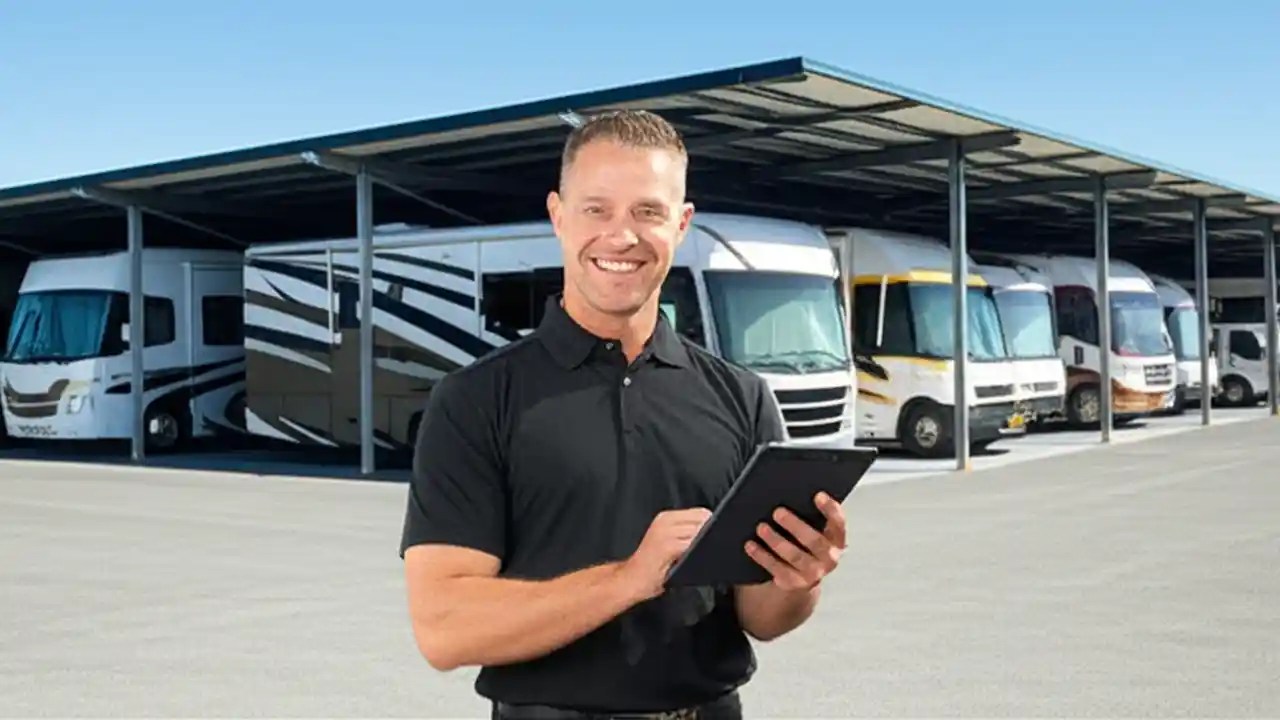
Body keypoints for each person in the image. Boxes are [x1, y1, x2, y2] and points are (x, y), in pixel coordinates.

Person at [399, 109, 849, 718]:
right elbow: (445, 630)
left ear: (681, 224)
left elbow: (761, 619)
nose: (621, 235)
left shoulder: (741, 398)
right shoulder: (474, 401)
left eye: (648, 212)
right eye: (597, 209)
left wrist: (800, 577)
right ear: (558, 216)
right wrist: (628, 578)